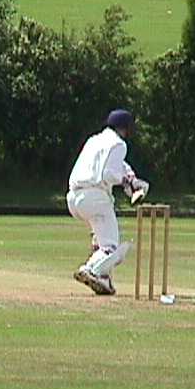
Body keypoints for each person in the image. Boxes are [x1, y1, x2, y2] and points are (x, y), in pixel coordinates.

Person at [66, 109, 149, 295]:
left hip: (73, 198)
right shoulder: (119, 144)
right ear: (126, 128)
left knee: (101, 241)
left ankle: (103, 280)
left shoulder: (94, 140)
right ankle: (91, 269)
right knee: (111, 247)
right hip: (95, 198)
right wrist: (127, 182)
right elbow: (108, 174)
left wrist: (132, 179)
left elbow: (117, 165)